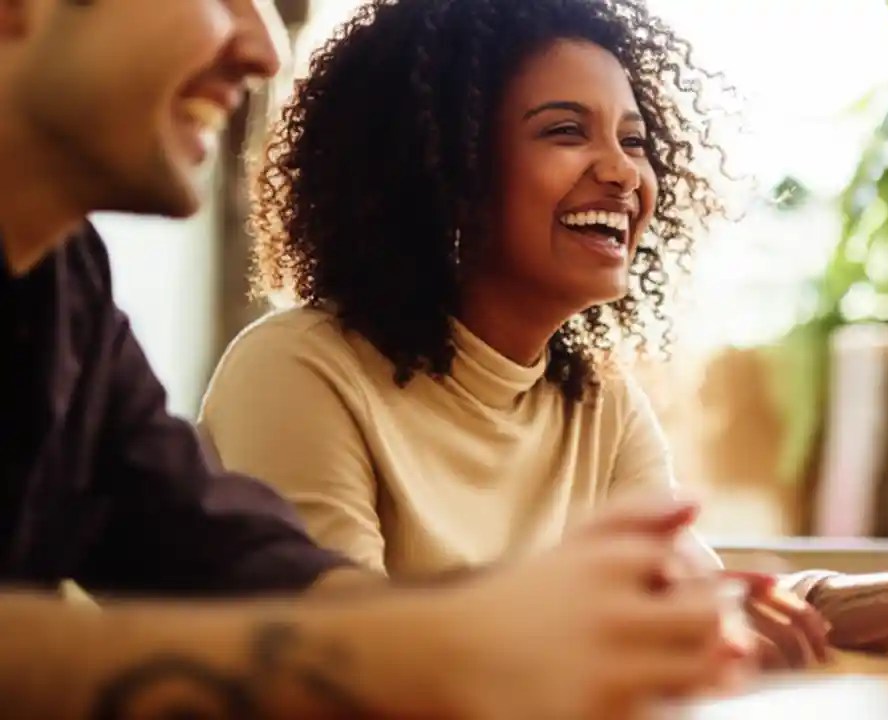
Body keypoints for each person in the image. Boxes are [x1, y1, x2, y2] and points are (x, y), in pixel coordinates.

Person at [199, 0, 888, 673]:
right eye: (565, 131)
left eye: (635, 140)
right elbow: (343, 650)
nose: (623, 172)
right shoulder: (299, 368)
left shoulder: (595, 398)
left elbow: (714, 600)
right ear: (442, 168)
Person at [0, 0, 745, 716]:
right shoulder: (300, 362)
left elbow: (230, 559)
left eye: (634, 140)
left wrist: (489, 635)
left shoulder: (65, 285)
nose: (265, 49)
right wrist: (451, 650)